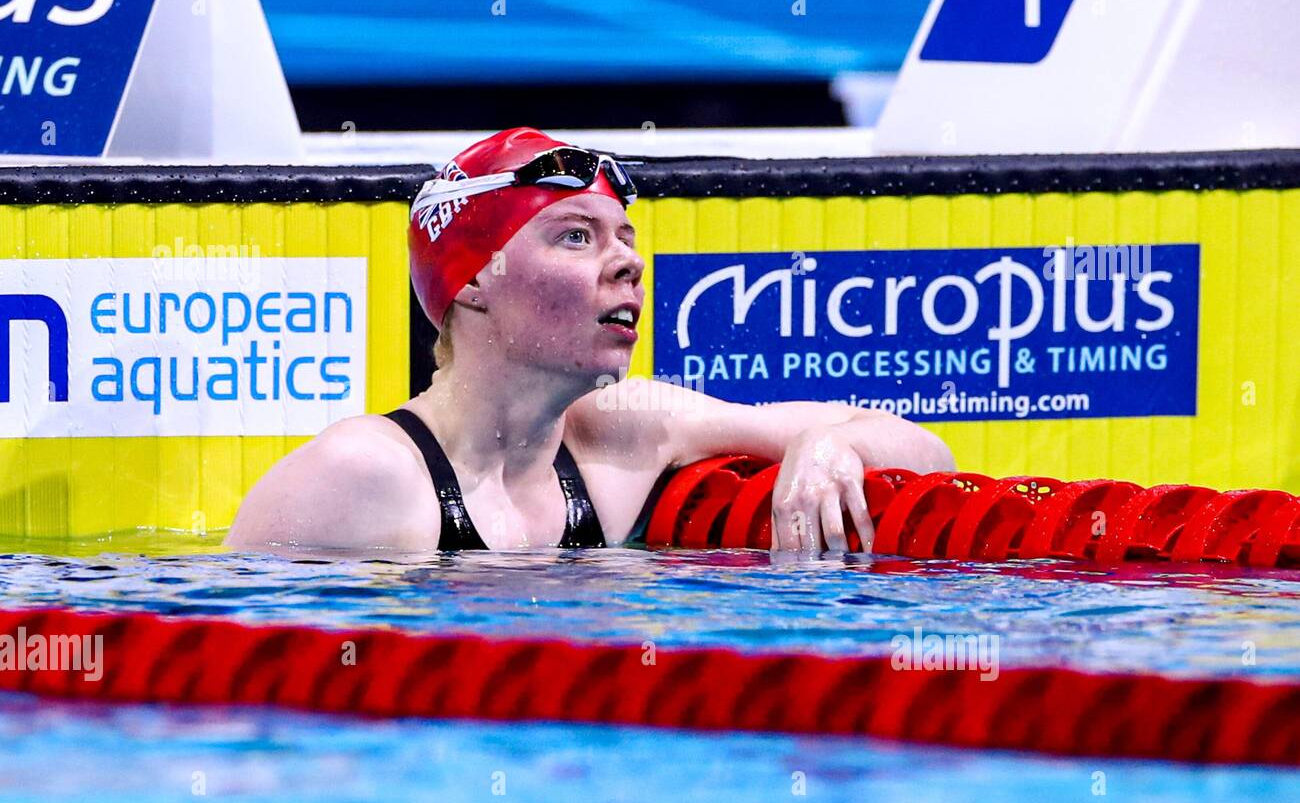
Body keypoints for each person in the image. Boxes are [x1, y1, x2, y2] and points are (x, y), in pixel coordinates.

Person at [225, 127, 954, 555]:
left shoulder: (623, 430)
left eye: (626, 238)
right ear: (473, 280)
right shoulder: (364, 475)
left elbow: (928, 452)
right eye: (576, 236)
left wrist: (835, 447)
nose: (627, 261)